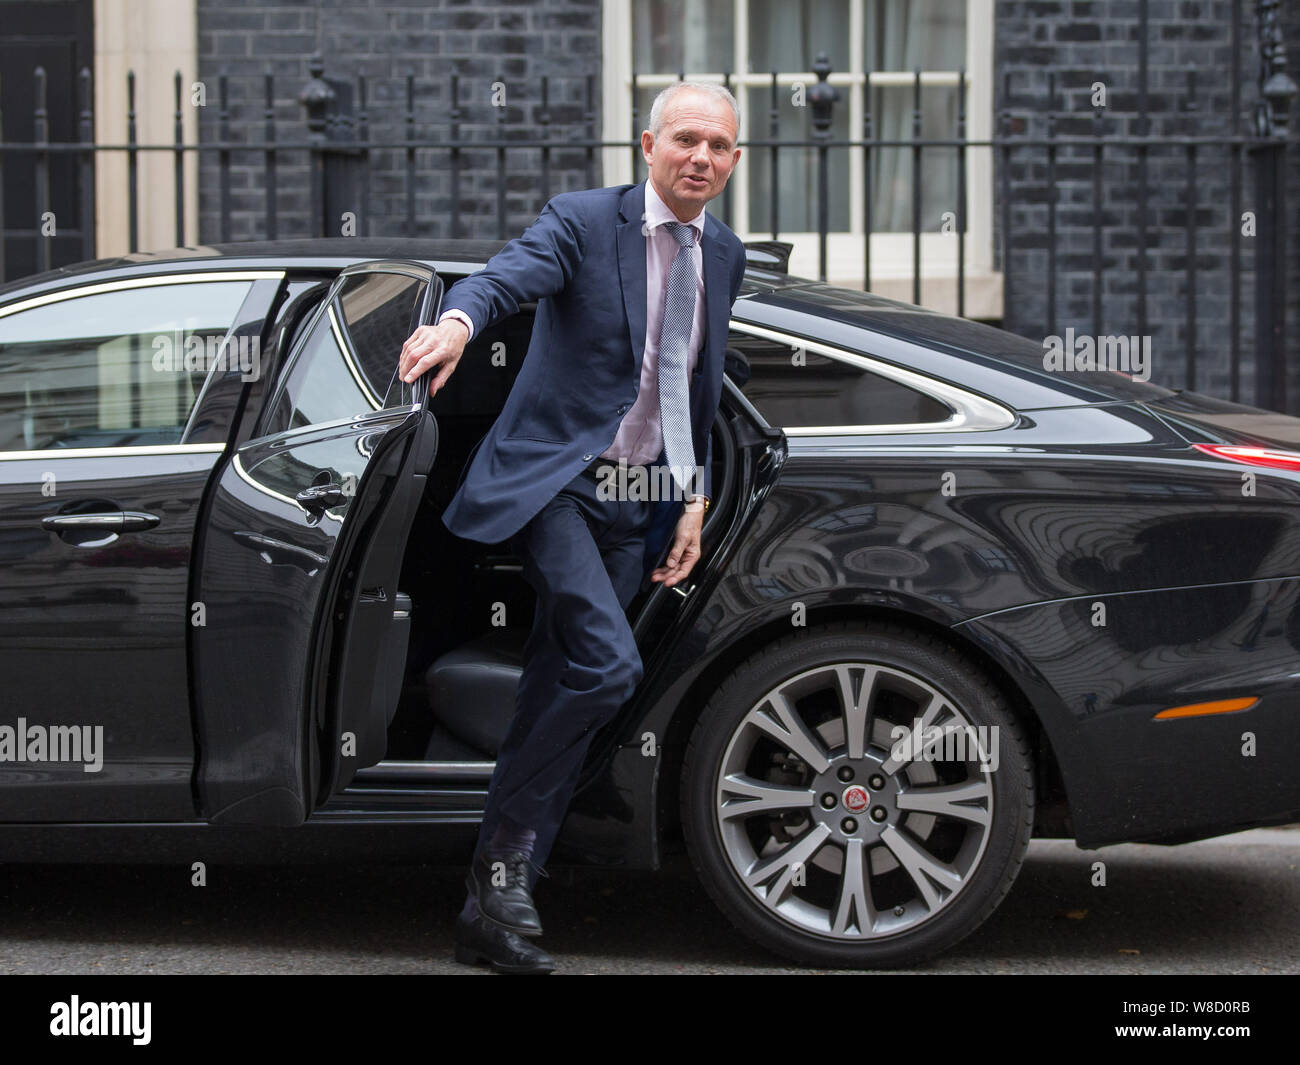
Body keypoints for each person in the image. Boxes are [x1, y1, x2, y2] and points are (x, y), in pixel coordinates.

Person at [398, 81, 745, 974]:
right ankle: (503, 867)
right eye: (685, 141)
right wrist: (458, 321)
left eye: (718, 145)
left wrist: (693, 498)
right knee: (607, 665)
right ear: (647, 145)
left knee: (564, 686)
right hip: (558, 486)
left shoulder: (726, 254)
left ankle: (496, 893)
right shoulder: (586, 222)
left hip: (641, 501)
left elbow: (693, 386)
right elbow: (509, 275)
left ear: (735, 161)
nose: (700, 157)